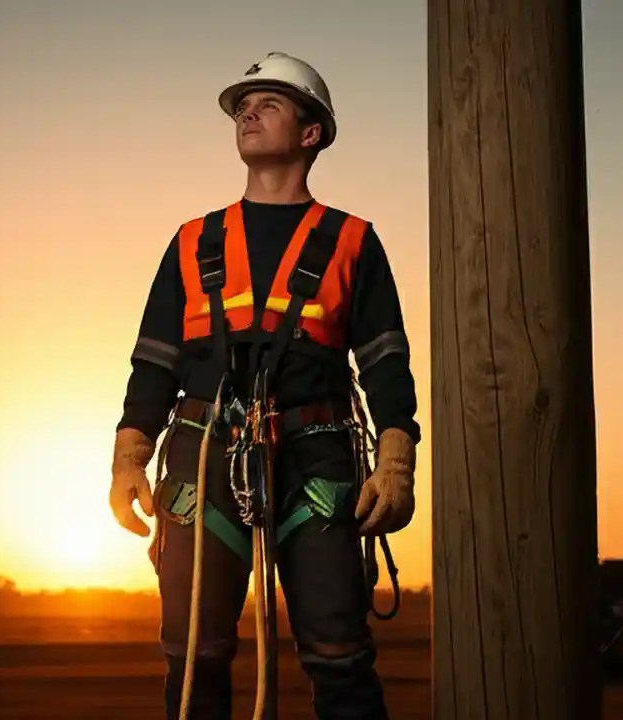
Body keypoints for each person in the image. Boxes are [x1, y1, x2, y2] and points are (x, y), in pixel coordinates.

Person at [108, 51, 420, 720]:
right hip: (202, 453)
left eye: (269, 103)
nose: (247, 111)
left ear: (311, 134)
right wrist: (130, 457)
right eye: (241, 106)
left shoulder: (351, 241)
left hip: (318, 457)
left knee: (339, 653)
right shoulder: (193, 242)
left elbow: (386, 361)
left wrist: (396, 459)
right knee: (194, 655)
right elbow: (154, 362)